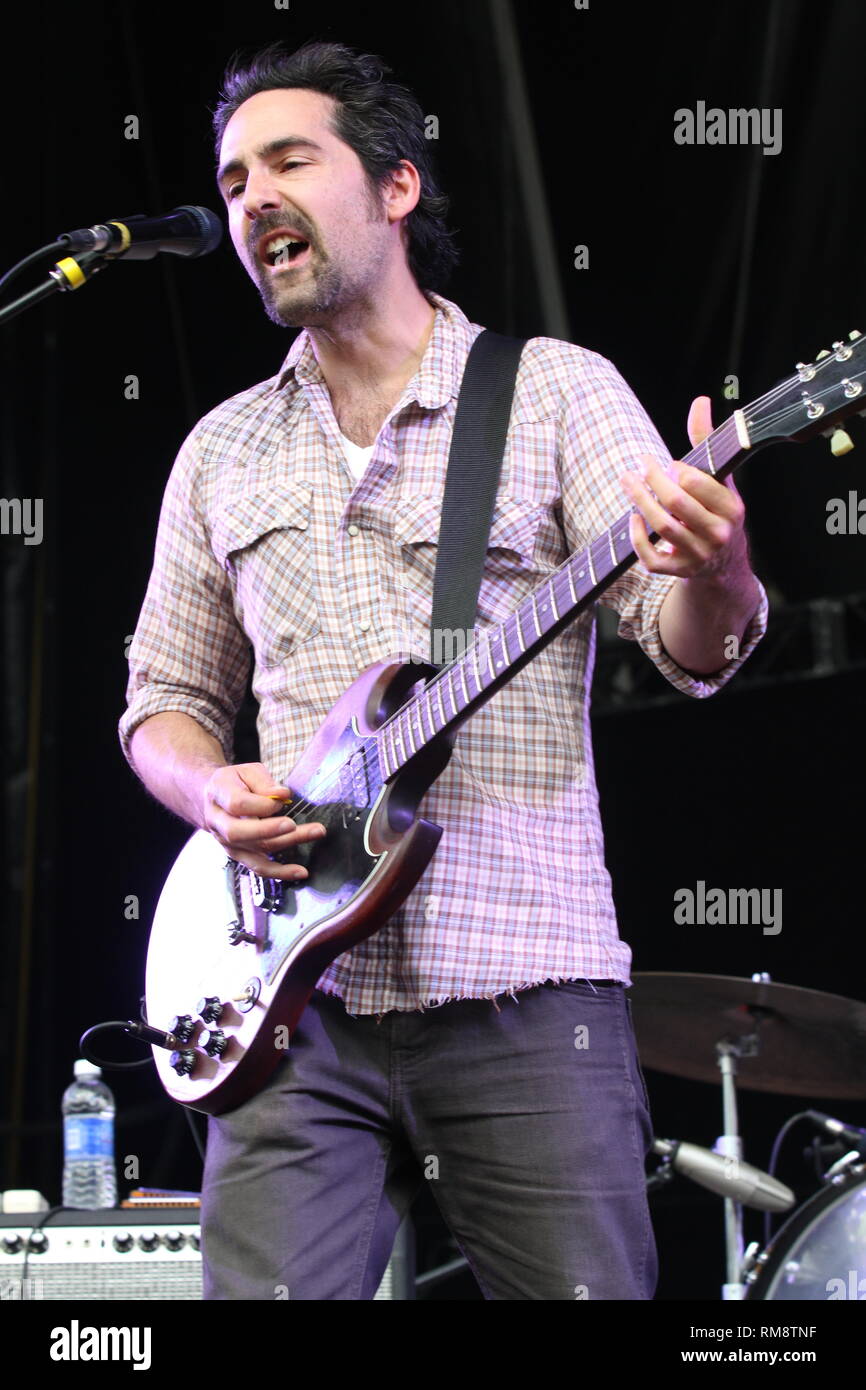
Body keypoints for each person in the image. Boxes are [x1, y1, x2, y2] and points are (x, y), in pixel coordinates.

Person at [119, 39, 767, 1300]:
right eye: (234, 176)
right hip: (290, 1007)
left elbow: (692, 652)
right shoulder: (218, 450)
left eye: (288, 161)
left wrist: (722, 562)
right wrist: (211, 793)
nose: (251, 199)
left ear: (397, 187)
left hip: (524, 986)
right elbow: (163, 703)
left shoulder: (552, 395)